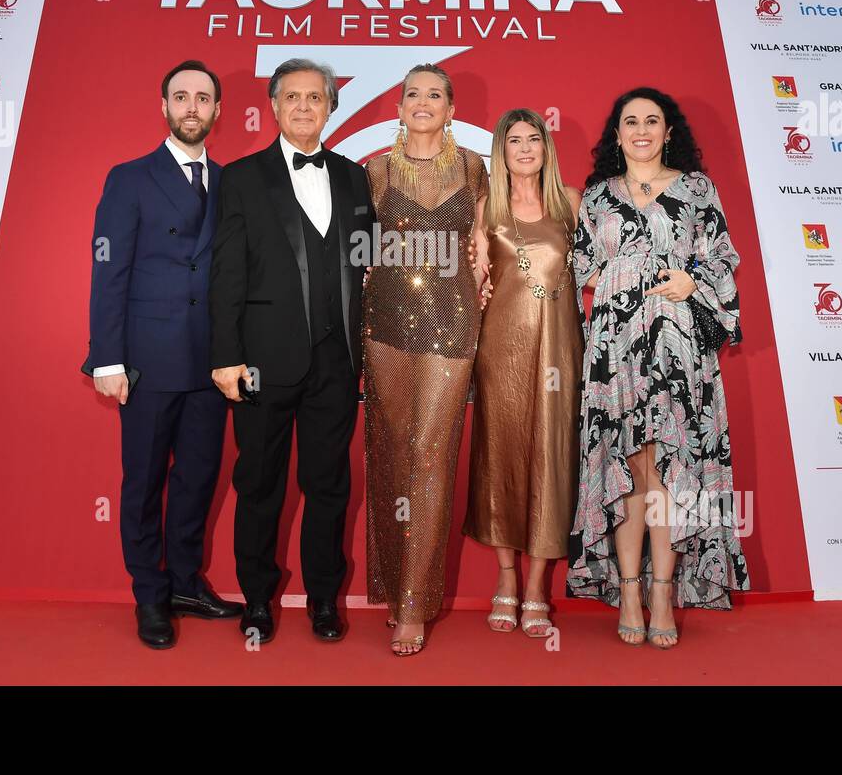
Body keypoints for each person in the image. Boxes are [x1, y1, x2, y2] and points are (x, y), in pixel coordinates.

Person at [567, 87, 749, 649]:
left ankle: (663, 594)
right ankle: (629, 592)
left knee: (668, 469)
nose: (641, 130)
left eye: (652, 121)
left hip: (678, 343)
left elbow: (722, 255)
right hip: (614, 348)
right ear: (616, 134)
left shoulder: (697, 189)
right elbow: (574, 265)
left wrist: (693, 280)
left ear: (669, 132)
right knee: (626, 468)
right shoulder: (597, 196)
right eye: (631, 122)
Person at [209, 58, 374, 645]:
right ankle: (257, 599)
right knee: (260, 485)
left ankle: (324, 599)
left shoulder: (355, 178)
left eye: (315, 97)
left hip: (336, 361)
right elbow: (226, 273)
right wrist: (224, 355)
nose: (304, 107)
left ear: (330, 107)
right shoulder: (241, 177)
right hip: (260, 361)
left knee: (329, 485)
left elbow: (366, 265)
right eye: (292, 97)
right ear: (275, 107)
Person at [87, 59, 242, 650]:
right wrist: (107, 358)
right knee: (145, 481)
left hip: (211, 361)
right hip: (147, 360)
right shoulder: (129, 178)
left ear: (218, 110)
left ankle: (184, 584)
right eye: (181, 97)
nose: (191, 107)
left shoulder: (230, 182)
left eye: (203, 98)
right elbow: (108, 271)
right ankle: (149, 594)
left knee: (199, 478)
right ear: (164, 107)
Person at [362, 64, 488, 656]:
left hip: (453, 323)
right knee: (390, 453)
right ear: (399, 107)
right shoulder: (375, 171)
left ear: (451, 109)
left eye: (434, 94)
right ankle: (394, 586)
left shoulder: (474, 168)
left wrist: (486, 286)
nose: (422, 102)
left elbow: (483, 245)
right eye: (412, 93)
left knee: (431, 456)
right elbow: (360, 249)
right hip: (384, 324)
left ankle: (415, 604)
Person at [464, 109, 582, 637]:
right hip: (502, 351)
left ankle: (537, 587)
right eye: (515, 140)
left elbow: (596, 273)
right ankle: (507, 579)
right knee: (502, 456)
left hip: (560, 350)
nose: (526, 148)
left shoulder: (571, 203)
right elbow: (474, 280)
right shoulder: (487, 206)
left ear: (546, 148)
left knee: (551, 457)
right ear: (502, 150)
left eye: (535, 138)